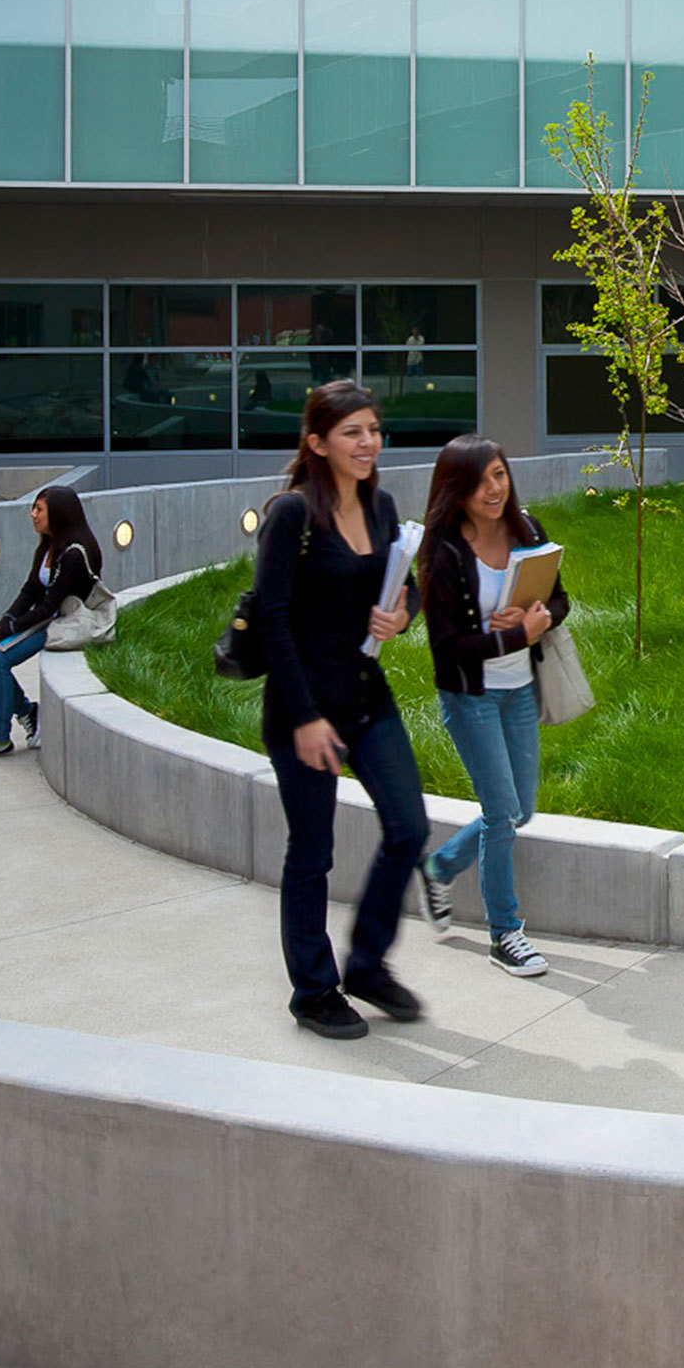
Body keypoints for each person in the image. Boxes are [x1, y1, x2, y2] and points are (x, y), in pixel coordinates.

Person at [239, 380, 431, 1040]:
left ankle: (368, 962)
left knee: (409, 825)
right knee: (311, 850)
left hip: (365, 693)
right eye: (352, 432)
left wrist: (403, 611)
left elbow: (405, 584)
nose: (368, 442)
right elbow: (273, 620)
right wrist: (304, 718)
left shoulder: (382, 507)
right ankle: (314, 990)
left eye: (373, 429)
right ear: (318, 442)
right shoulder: (291, 514)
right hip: (305, 706)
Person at [410, 437, 571, 979]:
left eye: (500, 475)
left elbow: (559, 599)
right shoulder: (445, 553)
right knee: (501, 813)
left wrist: (539, 619)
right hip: (470, 694)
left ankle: (438, 867)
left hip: (520, 691)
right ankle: (506, 933)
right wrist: (512, 636)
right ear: (456, 489)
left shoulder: (529, 530)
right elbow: (448, 647)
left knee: (519, 810)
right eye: (481, 481)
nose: (494, 489)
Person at [0, 485, 102, 757]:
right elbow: (30, 591)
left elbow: (49, 608)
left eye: (39, 509)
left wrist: (4, 631)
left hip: (64, 623)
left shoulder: (74, 554)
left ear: (59, 514)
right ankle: (29, 713)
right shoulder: (48, 547)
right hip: (48, 619)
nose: (32, 515)